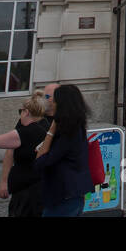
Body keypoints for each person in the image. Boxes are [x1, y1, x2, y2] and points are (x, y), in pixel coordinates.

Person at [0, 88, 53, 215]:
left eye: (21, 111)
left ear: (26, 112)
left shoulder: (26, 132)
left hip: (27, 192)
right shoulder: (44, 127)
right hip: (37, 188)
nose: (20, 115)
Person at [34, 84, 93, 217]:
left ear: (63, 105)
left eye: (55, 101)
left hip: (63, 197)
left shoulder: (68, 133)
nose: (52, 104)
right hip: (72, 195)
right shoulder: (78, 128)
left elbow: (41, 161)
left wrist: (51, 131)